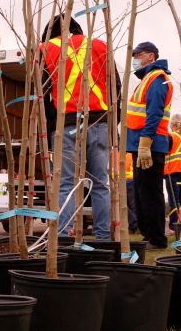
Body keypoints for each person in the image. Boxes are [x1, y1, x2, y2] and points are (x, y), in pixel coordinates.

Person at [39, 15, 120, 241]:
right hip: (99, 122)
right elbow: (116, 87)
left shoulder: (45, 49)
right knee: (100, 184)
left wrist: (48, 126)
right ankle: (103, 238)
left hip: (64, 125)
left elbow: (42, 94)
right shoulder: (99, 45)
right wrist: (111, 121)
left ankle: (63, 239)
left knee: (65, 184)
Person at [126, 41, 174, 250]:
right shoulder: (147, 79)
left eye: (138, 54)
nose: (135, 58)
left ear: (151, 57)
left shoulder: (158, 79)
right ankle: (148, 235)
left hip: (150, 147)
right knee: (140, 194)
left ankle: (157, 239)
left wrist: (145, 143)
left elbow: (154, 114)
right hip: (140, 146)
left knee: (150, 194)